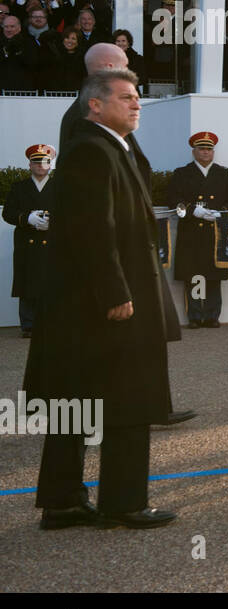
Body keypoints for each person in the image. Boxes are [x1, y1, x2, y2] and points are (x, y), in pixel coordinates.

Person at [24, 69, 178, 529]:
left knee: (74, 402)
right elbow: (93, 228)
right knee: (130, 400)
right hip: (109, 303)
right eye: (126, 98)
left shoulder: (108, 147)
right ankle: (124, 502)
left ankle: (63, 500)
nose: (136, 105)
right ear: (95, 104)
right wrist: (114, 292)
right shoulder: (93, 150)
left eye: (138, 98)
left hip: (87, 306)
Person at [165, 132, 228, 328]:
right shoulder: (182, 173)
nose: (205, 152)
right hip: (191, 231)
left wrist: (221, 214)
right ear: (194, 151)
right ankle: (195, 316)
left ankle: (212, 315)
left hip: (215, 232)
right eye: (202, 149)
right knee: (193, 275)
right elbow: (172, 200)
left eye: (209, 149)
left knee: (214, 275)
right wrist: (193, 211)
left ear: (213, 152)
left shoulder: (224, 173)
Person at [3, 143, 56, 337]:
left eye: (45, 162)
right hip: (27, 242)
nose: (41, 165)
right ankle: (28, 325)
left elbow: (72, 214)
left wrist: (54, 224)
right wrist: (27, 218)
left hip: (51, 241)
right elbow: (7, 213)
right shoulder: (19, 188)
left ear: (50, 165)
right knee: (28, 282)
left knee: (51, 282)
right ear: (29, 165)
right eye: (36, 162)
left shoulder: (60, 188)